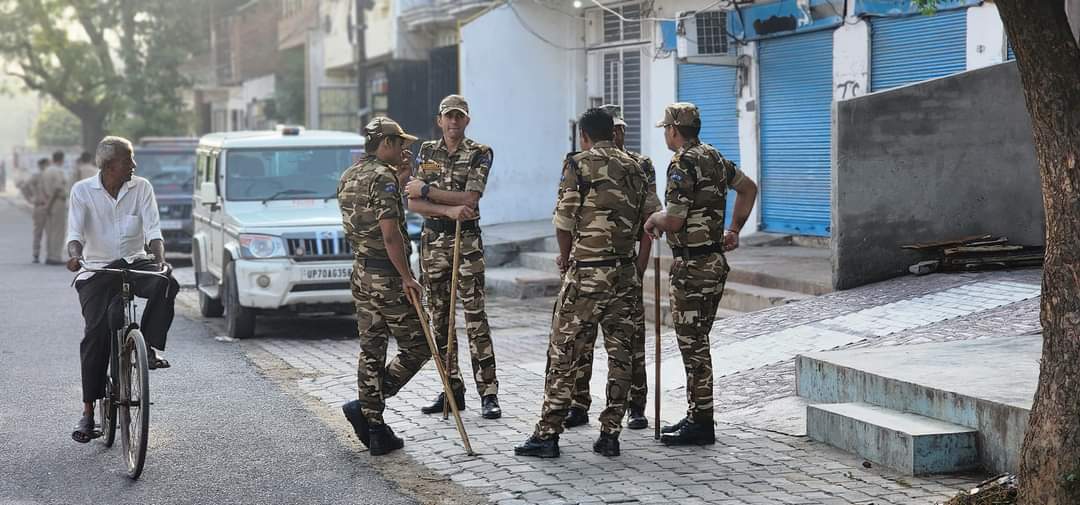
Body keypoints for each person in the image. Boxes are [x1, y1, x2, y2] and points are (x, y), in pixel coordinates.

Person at [515, 108, 649, 459]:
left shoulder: (578, 164)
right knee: (621, 355)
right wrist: (637, 266)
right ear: (612, 132)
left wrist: (565, 259)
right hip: (624, 273)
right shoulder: (637, 166)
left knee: (564, 352)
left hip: (587, 272)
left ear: (584, 137)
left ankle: (548, 434)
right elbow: (651, 221)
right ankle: (610, 434)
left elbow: (563, 220)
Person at [644, 103, 758, 446]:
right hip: (713, 262)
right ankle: (698, 413)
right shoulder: (715, 157)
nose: (666, 133)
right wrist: (734, 230)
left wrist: (653, 220)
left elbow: (675, 220)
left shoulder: (682, 162)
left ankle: (702, 422)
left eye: (666, 128)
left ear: (674, 130)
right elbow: (748, 188)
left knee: (693, 346)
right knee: (698, 342)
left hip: (692, 267)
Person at [65, 136, 180, 443]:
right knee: (96, 334)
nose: (134, 165)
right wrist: (75, 256)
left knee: (166, 282)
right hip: (97, 270)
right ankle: (89, 413)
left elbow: (153, 230)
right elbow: (74, 234)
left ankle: (149, 347)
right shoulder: (82, 191)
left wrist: (160, 261)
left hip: (134, 262)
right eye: (129, 159)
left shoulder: (141, 187)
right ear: (111, 165)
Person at [560, 105, 663, 432]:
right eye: (612, 129)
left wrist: (642, 263)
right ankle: (579, 403)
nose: (616, 134)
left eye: (621, 129)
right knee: (582, 342)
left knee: (628, 343)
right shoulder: (578, 164)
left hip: (622, 263)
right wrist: (568, 260)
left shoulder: (639, 165)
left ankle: (635, 404)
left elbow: (651, 221)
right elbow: (567, 215)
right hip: (588, 263)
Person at [403, 95, 502, 419]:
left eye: (459, 117)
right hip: (434, 241)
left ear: (467, 121)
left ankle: (488, 393)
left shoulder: (479, 153)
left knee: (475, 317)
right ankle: (451, 390)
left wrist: (428, 191)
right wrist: (447, 208)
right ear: (439, 120)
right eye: (449, 117)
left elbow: (471, 199)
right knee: (440, 319)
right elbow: (412, 204)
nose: (454, 122)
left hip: (467, 240)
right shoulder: (427, 152)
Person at [339, 117, 432, 456]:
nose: (406, 148)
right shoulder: (382, 178)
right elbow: (390, 233)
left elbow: (371, 206)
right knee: (420, 345)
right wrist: (407, 277)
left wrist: (400, 176)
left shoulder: (351, 175)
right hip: (388, 276)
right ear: (387, 143)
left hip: (361, 272)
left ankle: (375, 427)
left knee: (372, 347)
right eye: (401, 143)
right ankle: (368, 405)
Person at [41, 151, 69, 265]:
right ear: (62, 159)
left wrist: (46, 203)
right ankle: (55, 257)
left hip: (47, 200)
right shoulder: (58, 171)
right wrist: (50, 204)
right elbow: (58, 188)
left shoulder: (46, 170)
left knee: (50, 230)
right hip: (57, 202)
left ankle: (49, 255)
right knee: (58, 231)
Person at [23, 158, 50, 263]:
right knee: (38, 232)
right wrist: (30, 199)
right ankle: (36, 254)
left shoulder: (49, 175)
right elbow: (24, 187)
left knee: (49, 233)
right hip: (40, 206)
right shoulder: (36, 176)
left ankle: (49, 254)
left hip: (48, 207)